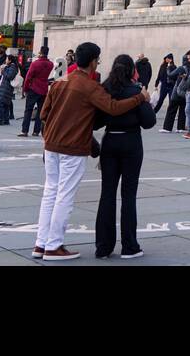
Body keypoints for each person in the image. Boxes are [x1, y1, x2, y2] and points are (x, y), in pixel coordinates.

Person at [33, 42, 150, 261]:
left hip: (51, 146)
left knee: (50, 193)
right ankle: (54, 245)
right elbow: (113, 108)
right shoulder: (90, 87)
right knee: (64, 195)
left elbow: (44, 114)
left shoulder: (61, 81)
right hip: (72, 148)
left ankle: (41, 243)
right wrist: (139, 98)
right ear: (94, 61)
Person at [93, 54, 156, 258]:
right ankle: (129, 246)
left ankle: (103, 246)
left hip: (110, 141)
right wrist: (143, 99)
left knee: (107, 194)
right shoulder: (136, 91)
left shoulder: (105, 89)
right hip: (131, 143)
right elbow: (149, 122)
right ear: (131, 70)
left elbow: (96, 122)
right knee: (129, 195)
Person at [18, 48, 53, 137]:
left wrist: (25, 89)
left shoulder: (35, 64)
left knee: (28, 110)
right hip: (44, 88)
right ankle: (36, 131)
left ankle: (24, 130)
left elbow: (28, 77)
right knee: (41, 111)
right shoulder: (50, 64)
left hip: (34, 88)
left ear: (40, 53)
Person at [161, 55, 189, 133]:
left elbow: (170, 75)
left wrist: (168, 68)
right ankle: (181, 127)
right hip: (185, 91)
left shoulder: (181, 68)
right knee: (182, 110)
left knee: (171, 109)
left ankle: (167, 128)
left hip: (177, 91)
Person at [0, 53, 19, 126]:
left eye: (7, 59)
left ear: (10, 60)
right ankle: (5, 120)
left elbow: (9, 76)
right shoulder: (10, 67)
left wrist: (3, 71)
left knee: (1, 104)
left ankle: (0, 120)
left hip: (6, 88)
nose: (6, 60)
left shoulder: (13, 67)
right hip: (5, 87)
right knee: (5, 104)